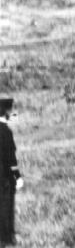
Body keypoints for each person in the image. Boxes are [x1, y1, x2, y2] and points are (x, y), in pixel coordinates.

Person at [0, 98, 22, 247]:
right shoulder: (6, 131)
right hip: (4, 177)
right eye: (11, 110)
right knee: (6, 206)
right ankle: (6, 239)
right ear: (6, 112)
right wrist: (18, 176)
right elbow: (10, 158)